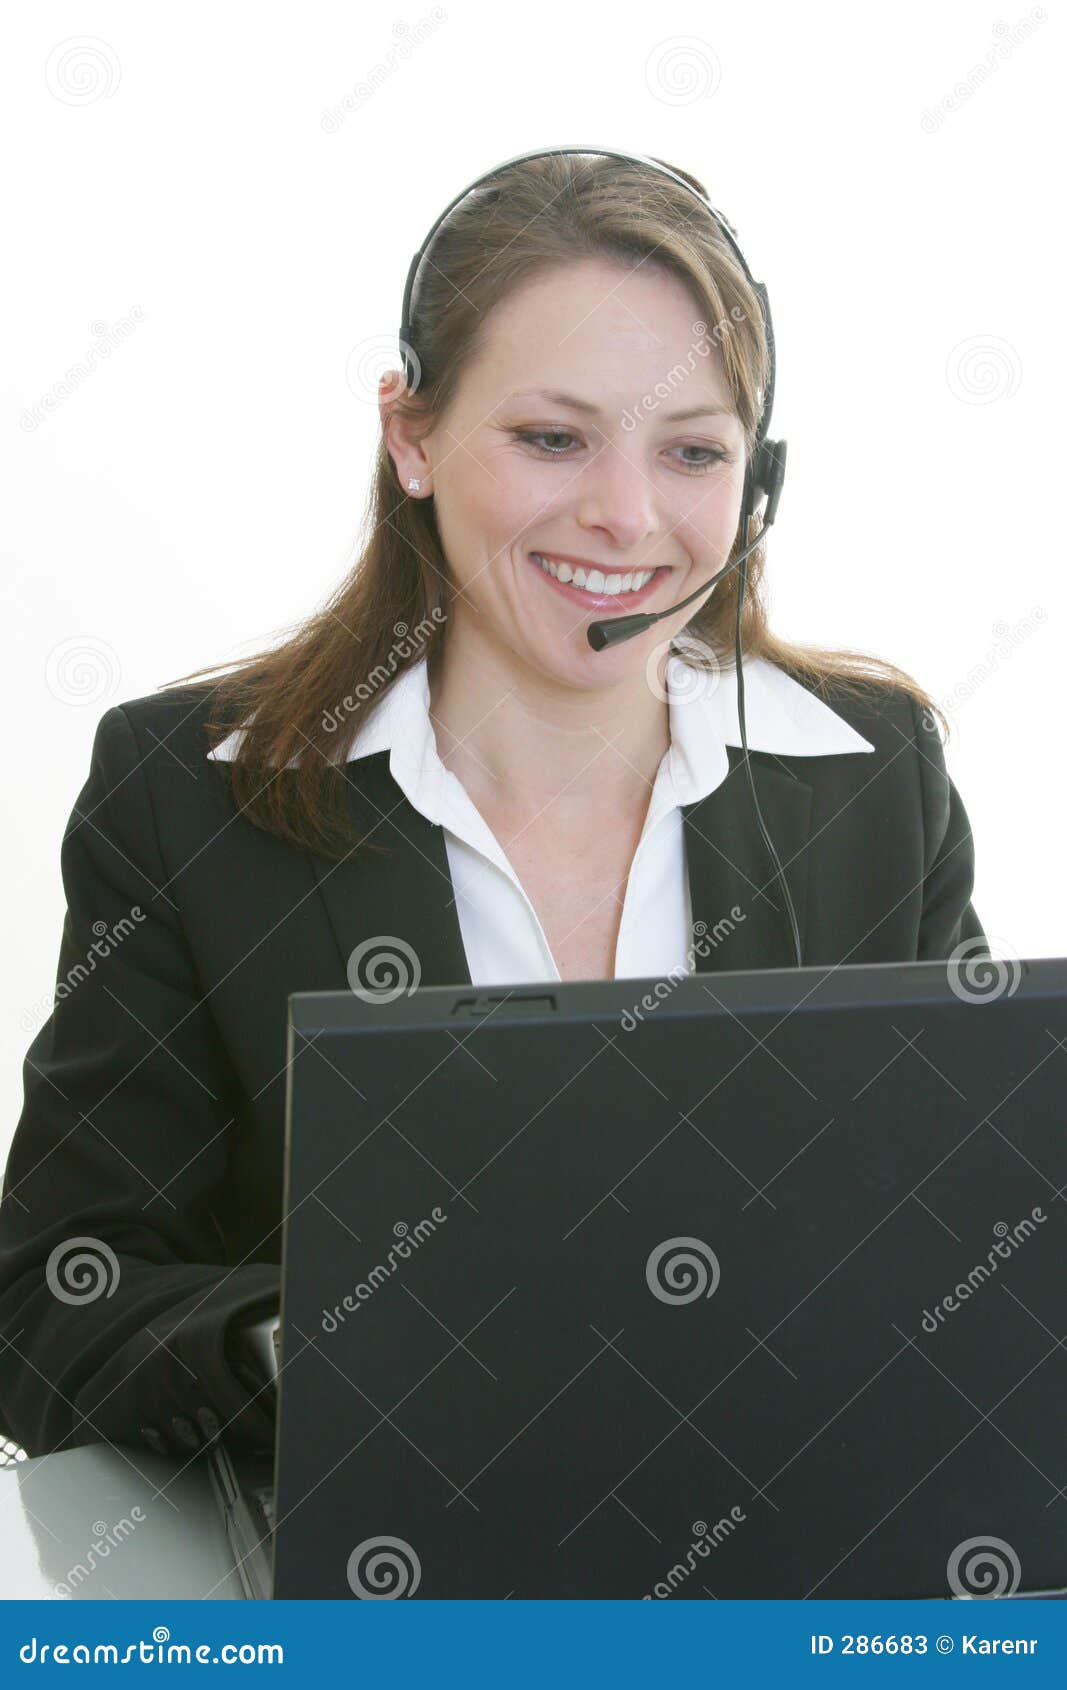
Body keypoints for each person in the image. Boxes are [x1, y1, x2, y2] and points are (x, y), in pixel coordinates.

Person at [0, 152, 984, 1460]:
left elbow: (983, 1245)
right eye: (552, 438)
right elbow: (51, 1305)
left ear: (759, 483)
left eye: (691, 449)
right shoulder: (189, 798)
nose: (626, 514)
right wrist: (316, 1350)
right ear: (411, 436)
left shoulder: (872, 779)